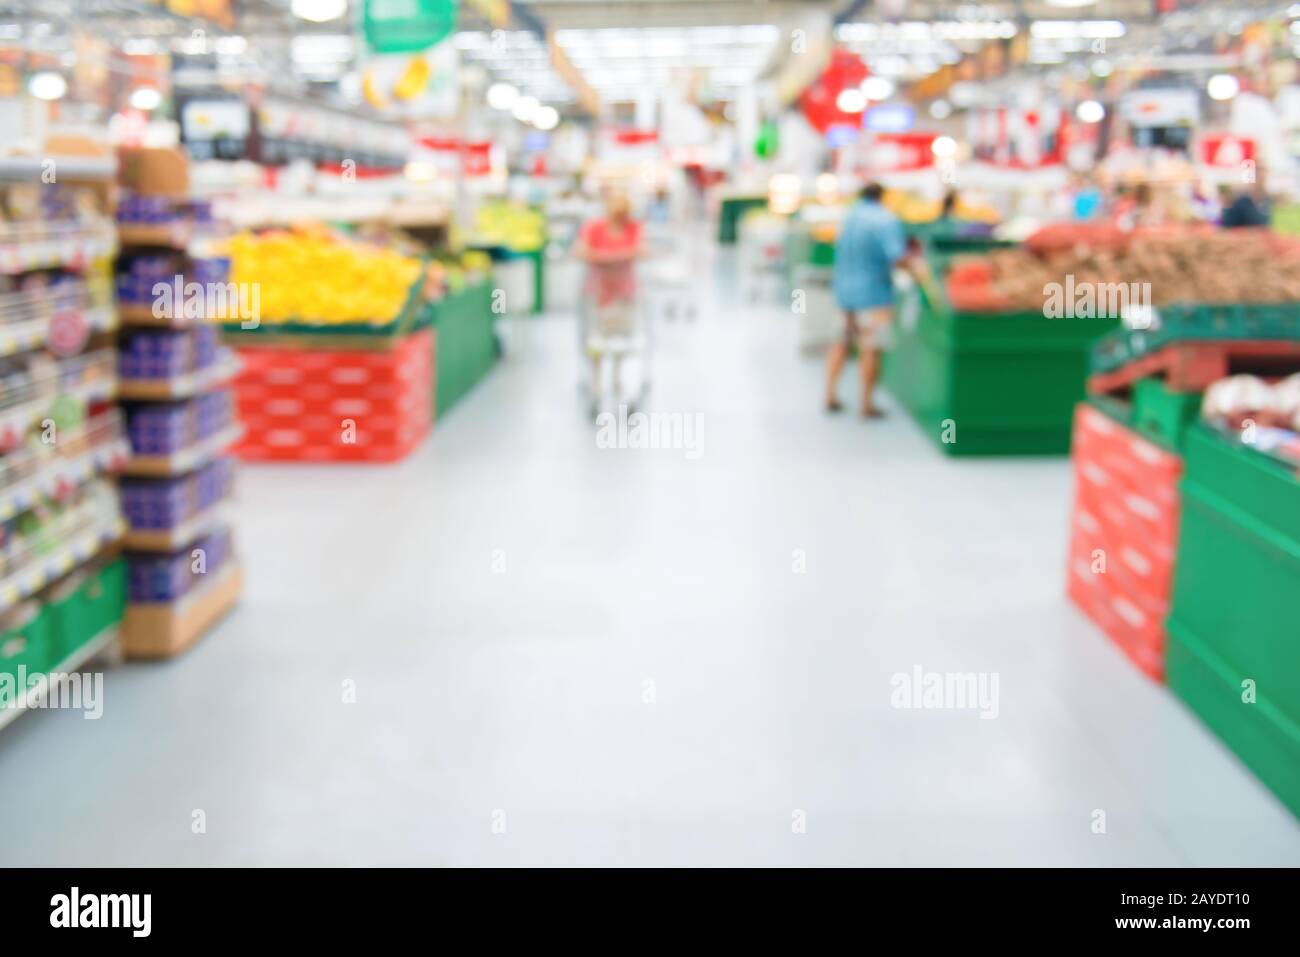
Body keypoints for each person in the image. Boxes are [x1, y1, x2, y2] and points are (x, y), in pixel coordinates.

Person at [826, 182, 910, 418]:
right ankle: (866, 404)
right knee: (870, 348)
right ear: (882, 197)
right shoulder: (885, 220)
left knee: (839, 343)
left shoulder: (848, 217)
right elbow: (897, 256)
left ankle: (830, 394)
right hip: (874, 294)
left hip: (844, 293)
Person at [575, 191, 645, 412]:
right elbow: (580, 251)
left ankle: (616, 377)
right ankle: (596, 382)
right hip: (598, 291)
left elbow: (642, 250)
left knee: (622, 337)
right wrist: (619, 256)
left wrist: (603, 257)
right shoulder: (594, 228)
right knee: (597, 339)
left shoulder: (633, 228)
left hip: (624, 292)